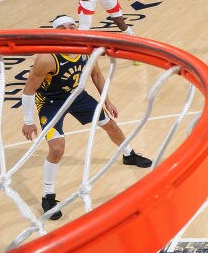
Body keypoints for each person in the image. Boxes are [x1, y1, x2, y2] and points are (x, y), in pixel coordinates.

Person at [20, 15, 152, 220]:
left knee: (111, 126)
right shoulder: (46, 58)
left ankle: (129, 155)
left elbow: (96, 75)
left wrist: (107, 101)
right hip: (51, 103)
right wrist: (28, 122)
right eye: (62, 28)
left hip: (77, 96)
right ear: (55, 33)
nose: (68, 30)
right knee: (57, 149)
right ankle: (48, 196)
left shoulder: (86, 49)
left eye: (71, 26)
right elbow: (29, 90)